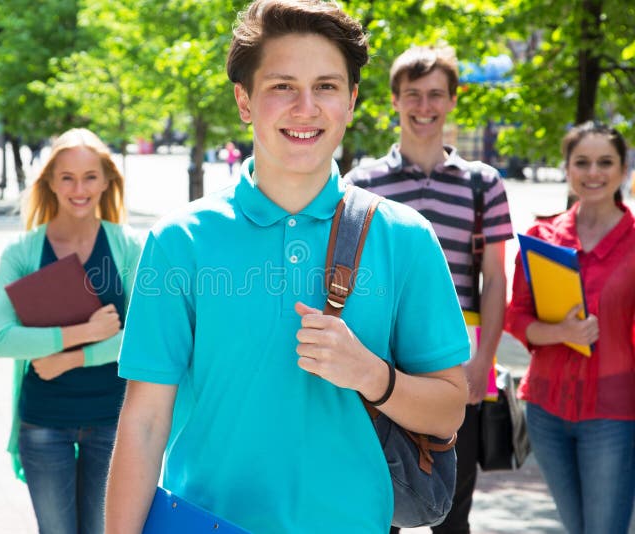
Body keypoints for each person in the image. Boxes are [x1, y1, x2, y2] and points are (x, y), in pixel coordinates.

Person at [104, 2, 469, 532]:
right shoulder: (179, 241)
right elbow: (144, 422)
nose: (305, 107)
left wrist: (370, 374)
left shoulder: (406, 238)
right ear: (244, 101)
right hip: (205, 524)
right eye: (281, 87)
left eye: (325, 86)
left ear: (351, 101)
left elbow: (449, 410)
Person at [344, 45, 513, 534]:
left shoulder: (484, 184)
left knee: (452, 513)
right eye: (413, 94)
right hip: (381, 369)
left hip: (456, 370)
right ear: (394, 100)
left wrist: (483, 364)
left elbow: (497, 277)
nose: (424, 106)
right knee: (378, 510)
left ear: (453, 101)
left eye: (436, 94)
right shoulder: (362, 185)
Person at [0, 128, 143, 534]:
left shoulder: (128, 246)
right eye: (68, 178)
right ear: (50, 183)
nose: (80, 188)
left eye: (90, 176)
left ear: (107, 180)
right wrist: (82, 333)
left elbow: (143, 336)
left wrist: (70, 359)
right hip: (43, 423)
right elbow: (3, 339)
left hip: (112, 420)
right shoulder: (22, 252)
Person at [505, 121, 635, 534]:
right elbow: (517, 317)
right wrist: (560, 332)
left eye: (605, 162)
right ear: (567, 168)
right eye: (582, 162)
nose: (592, 172)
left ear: (623, 169)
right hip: (545, 410)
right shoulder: (542, 237)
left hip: (613, 413)